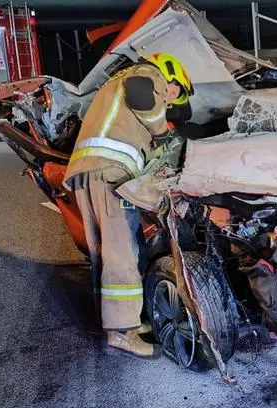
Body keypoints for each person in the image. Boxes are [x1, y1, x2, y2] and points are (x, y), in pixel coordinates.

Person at [63, 52, 194, 358]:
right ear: (170, 76)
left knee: (105, 253)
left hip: (89, 171)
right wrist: (162, 133)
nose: (169, 99)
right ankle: (122, 334)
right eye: (174, 92)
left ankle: (119, 321)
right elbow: (141, 93)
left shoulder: (115, 83)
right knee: (123, 251)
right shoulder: (147, 73)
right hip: (110, 172)